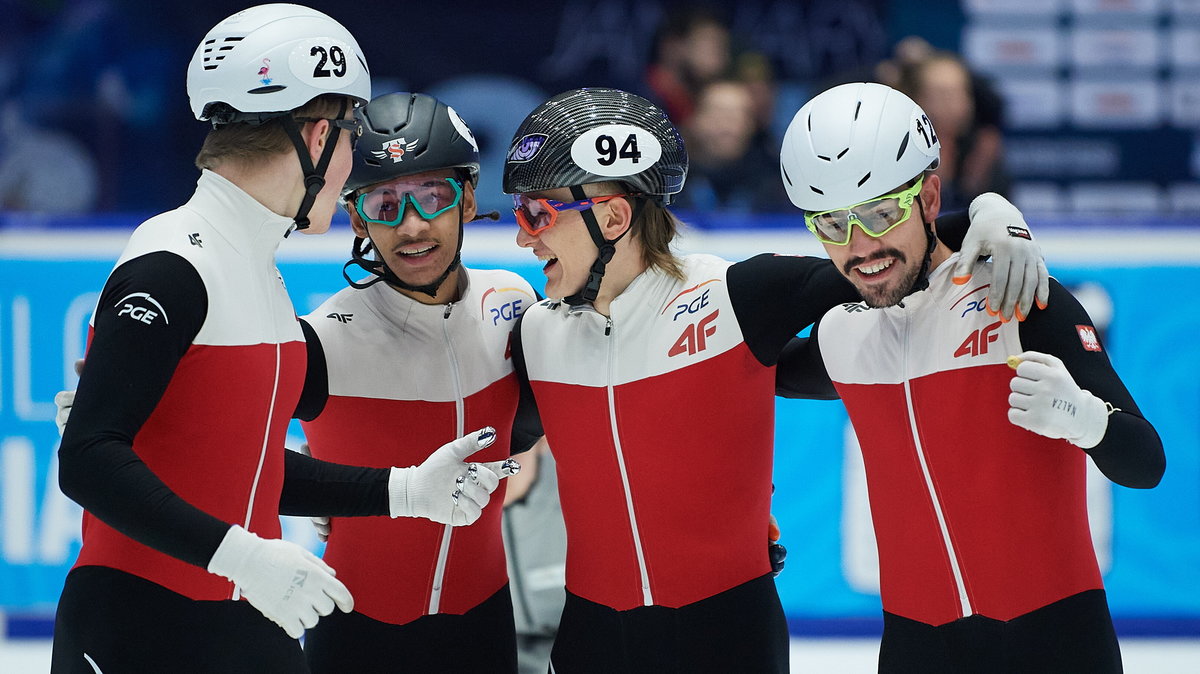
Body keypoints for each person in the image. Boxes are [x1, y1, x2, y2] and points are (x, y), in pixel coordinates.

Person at [501, 86, 1048, 672]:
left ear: (612, 215)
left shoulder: (735, 297)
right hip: (592, 642)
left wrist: (988, 215)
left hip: (730, 637)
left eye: (538, 214)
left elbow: (883, 253)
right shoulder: (537, 334)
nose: (522, 237)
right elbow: (484, 450)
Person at [51, 7, 508, 672]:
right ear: (318, 136)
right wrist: (245, 556)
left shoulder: (253, 269)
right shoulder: (175, 262)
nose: (353, 161)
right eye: (352, 133)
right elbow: (87, 457)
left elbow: (238, 467)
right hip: (138, 625)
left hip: (246, 621)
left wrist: (407, 491)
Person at [775, 81, 1166, 672]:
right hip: (915, 648)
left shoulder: (1016, 296)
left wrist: (1085, 418)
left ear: (929, 196)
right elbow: (735, 376)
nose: (861, 245)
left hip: (1056, 641)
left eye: (882, 213)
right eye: (830, 224)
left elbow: (1147, 463)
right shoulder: (841, 333)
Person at [295, 91, 538, 673]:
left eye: (433, 196)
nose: (411, 226)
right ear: (356, 218)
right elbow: (232, 451)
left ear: (469, 199)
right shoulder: (322, 337)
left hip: (483, 625)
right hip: (355, 635)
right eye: (384, 203)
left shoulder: (514, 301)